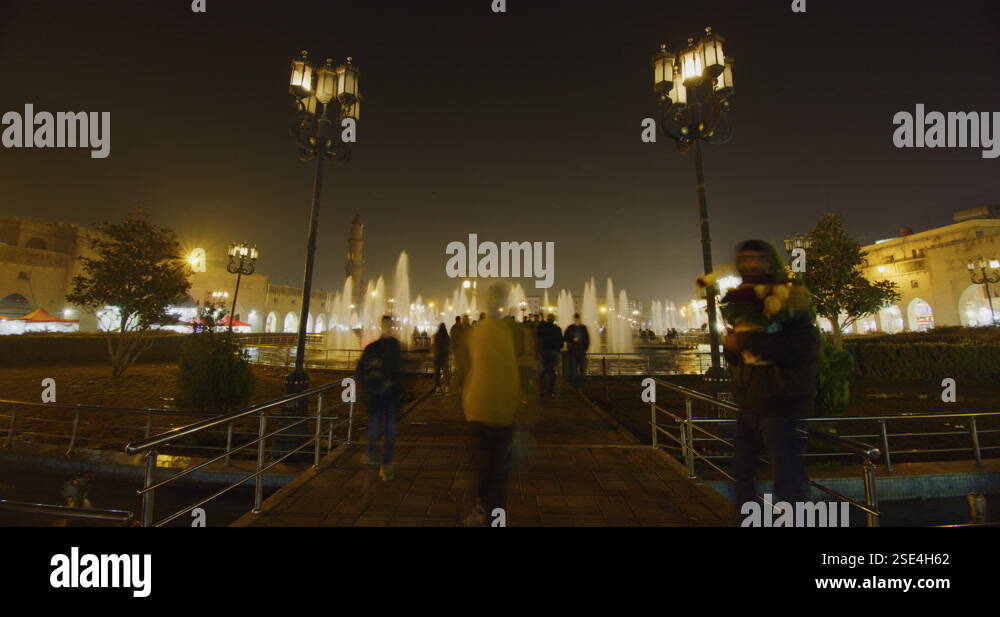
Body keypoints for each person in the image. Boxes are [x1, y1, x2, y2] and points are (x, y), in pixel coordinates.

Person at [721, 239, 819, 518]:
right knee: (742, 475)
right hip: (749, 403)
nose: (751, 264)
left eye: (758, 258)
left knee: (788, 480)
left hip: (782, 403)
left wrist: (745, 340)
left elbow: (803, 347)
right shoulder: (742, 297)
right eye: (745, 259)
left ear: (771, 261)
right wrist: (732, 350)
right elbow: (740, 353)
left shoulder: (789, 294)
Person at [462, 282, 522, 526]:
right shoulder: (513, 332)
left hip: (477, 407)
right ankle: (492, 514)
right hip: (502, 411)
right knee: (496, 470)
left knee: (485, 466)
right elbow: (520, 368)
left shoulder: (477, 331)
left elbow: (468, 367)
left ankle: (482, 508)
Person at [356, 315, 403, 484]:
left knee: (388, 429)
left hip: (388, 395)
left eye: (390, 325)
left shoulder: (394, 346)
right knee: (378, 427)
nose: (388, 327)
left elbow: (399, 370)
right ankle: (375, 456)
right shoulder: (374, 347)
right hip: (378, 395)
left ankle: (385, 461)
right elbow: (361, 369)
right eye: (386, 325)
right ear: (382, 326)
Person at [537, 313, 563, 398]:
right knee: (552, 372)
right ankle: (551, 391)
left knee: (543, 372)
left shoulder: (542, 328)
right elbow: (561, 341)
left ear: (547, 319)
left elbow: (538, 337)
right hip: (554, 352)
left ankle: (542, 391)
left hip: (544, 351)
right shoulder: (557, 329)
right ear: (554, 320)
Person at [563, 313, 589, 390]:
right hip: (573, 351)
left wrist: (585, 348)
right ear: (574, 319)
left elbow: (587, 339)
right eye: (576, 319)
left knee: (582, 368)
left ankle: (582, 384)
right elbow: (565, 338)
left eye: (578, 319)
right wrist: (572, 339)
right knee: (573, 368)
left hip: (581, 351)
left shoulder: (583, 328)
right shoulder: (570, 328)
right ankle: (575, 384)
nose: (577, 320)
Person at [432, 323, 451, 394]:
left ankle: (438, 388)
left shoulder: (436, 336)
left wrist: (434, 353)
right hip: (444, 356)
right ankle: (447, 388)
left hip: (437, 356)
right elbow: (449, 346)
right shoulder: (447, 337)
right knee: (446, 372)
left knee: (437, 372)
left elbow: (433, 346)